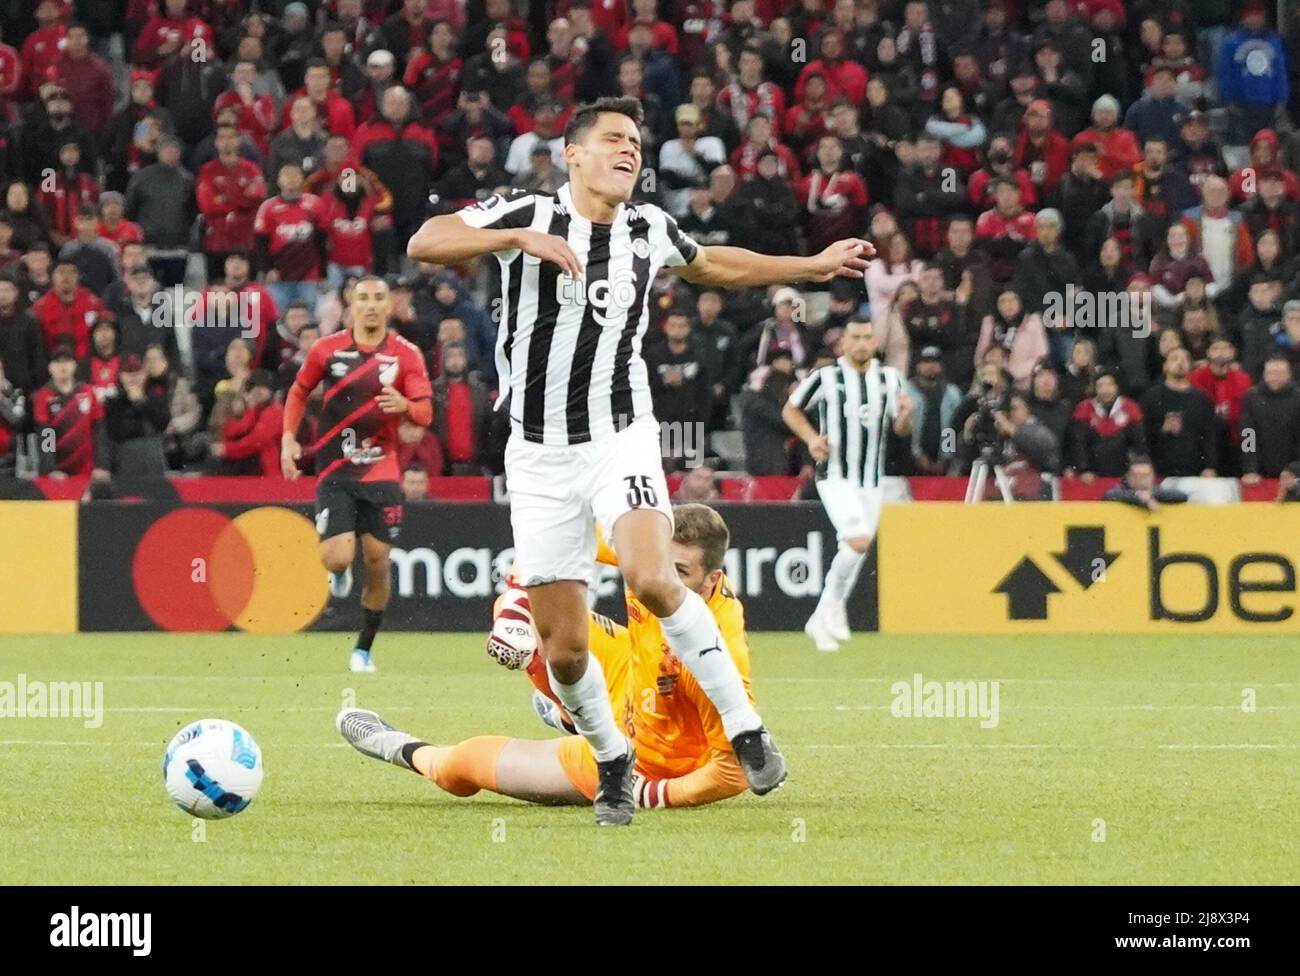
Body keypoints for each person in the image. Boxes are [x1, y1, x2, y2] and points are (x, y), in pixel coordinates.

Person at [406, 97, 871, 823]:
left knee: (652, 577)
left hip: (619, 432)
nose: (629, 150)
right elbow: (426, 240)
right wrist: (519, 238)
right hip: (538, 454)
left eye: (636, 142)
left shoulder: (648, 227)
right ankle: (612, 758)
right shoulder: (528, 213)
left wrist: (812, 265)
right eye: (614, 139)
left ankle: (746, 730)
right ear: (574, 154)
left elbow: (714, 264)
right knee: (563, 650)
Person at [337, 504, 756, 811]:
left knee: (465, 762)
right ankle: (570, 712)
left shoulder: (719, 648)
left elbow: (732, 773)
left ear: (712, 581)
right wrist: (518, 605)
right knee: (532, 613)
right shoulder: (651, 565)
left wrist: (654, 793)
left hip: (643, 762)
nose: (659, 582)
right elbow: (554, 540)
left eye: (680, 573)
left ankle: (403, 748)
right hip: (627, 675)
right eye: (661, 565)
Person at [281, 276, 432, 674]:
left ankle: (363, 648)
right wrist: (287, 440)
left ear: (389, 307)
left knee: (378, 560)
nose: (369, 305)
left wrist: (405, 404)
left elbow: (425, 412)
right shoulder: (326, 349)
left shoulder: (406, 355)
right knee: (337, 556)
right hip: (335, 467)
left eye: (378, 298)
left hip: (382, 471)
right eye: (362, 297)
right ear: (349, 304)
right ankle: (339, 572)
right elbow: (298, 393)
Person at [782, 317, 912, 651]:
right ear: (844, 343)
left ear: (875, 342)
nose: (862, 343)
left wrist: (905, 418)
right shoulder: (826, 377)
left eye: (868, 337)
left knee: (856, 549)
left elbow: (901, 432)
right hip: (835, 476)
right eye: (855, 337)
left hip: (872, 480)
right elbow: (791, 410)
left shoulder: (889, 378)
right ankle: (832, 609)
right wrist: (812, 439)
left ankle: (820, 617)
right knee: (857, 540)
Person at [1103, 454, 1189, 510]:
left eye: (1145, 475)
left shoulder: (1157, 490)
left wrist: (1150, 495)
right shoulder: (1120, 490)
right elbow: (1110, 495)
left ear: (1153, 476)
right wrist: (1139, 497)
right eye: (1136, 475)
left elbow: (1181, 496)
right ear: (1128, 476)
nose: (1141, 479)